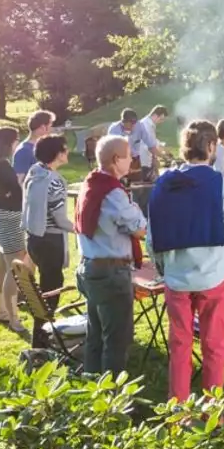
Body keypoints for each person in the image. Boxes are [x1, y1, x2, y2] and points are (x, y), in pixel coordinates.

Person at [147, 120, 224, 402]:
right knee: (214, 345)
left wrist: (163, 268)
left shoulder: (163, 184)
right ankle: (211, 411)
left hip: (177, 277)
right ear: (212, 146)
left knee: (180, 345)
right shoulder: (220, 184)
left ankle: (176, 413)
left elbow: (152, 237)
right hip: (213, 274)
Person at [75, 135, 147, 376]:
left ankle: (92, 389)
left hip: (91, 267)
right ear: (117, 159)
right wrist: (136, 207)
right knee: (117, 339)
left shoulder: (90, 183)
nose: (132, 160)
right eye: (129, 156)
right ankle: (112, 401)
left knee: (95, 334)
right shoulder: (113, 193)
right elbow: (140, 229)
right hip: (110, 272)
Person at [21, 134, 73, 347]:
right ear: (58, 154)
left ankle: (41, 337)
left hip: (34, 239)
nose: (68, 152)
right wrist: (81, 229)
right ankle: (42, 342)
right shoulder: (54, 182)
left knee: (43, 289)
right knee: (50, 293)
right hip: (51, 242)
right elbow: (60, 219)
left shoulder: (35, 174)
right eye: (65, 149)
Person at [0, 125, 27, 334]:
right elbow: (17, 193)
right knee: (14, 270)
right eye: (16, 140)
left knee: (2, 268)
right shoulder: (4, 166)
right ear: (8, 143)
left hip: (0, 218)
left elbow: (5, 194)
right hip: (9, 220)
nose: (17, 143)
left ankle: (2, 312)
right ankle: (13, 318)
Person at [13, 110, 55, 183]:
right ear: (42, 127)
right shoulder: (24, 150)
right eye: (50, 126)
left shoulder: (41, 147)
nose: (52, 129)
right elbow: (18, 181)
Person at [108, 109, 148, 181]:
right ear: (123, 122)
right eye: (131, 123)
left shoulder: (140, 126)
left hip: (136, 158)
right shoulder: (114, 130)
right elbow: (114, 150)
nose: (133, 125)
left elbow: (148, 141)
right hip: (120, 158)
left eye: (135, 122)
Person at [139, 105, 168, 180]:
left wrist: (165, 150)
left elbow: (154, 141)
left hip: (147, 160)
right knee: (147, 185)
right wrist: (164, 157)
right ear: (155, 115)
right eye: (161, 119)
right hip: (143, 161)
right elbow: (151, 147)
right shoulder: (146, 125)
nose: (161, 122)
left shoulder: (150, 124)